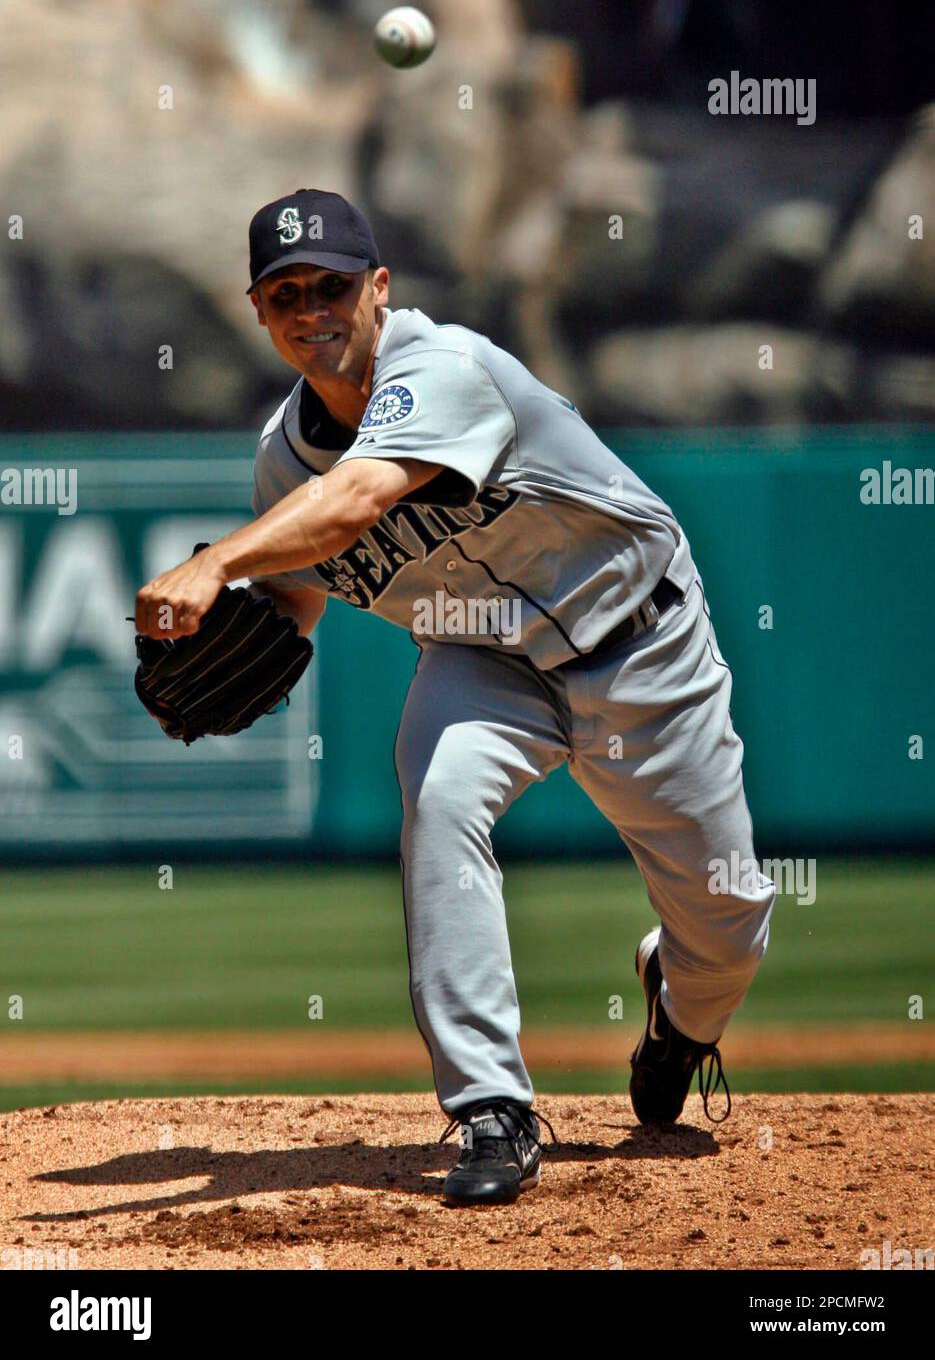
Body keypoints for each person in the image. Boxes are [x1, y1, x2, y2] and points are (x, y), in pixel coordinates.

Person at [135, 188, 776, 1207]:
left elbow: (357, 497)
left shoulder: (443, 367)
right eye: (284, 292)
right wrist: (252, 638)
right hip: (481, 661)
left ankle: (679, 1012)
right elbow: (307, 581)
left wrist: (216, 563)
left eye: (332, 286)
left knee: (729, 918)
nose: (311, 309)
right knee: (436, 796)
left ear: (378, 287)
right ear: (258, 311)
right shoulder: (280, 461)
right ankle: (490, 1107)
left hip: (638, 642)